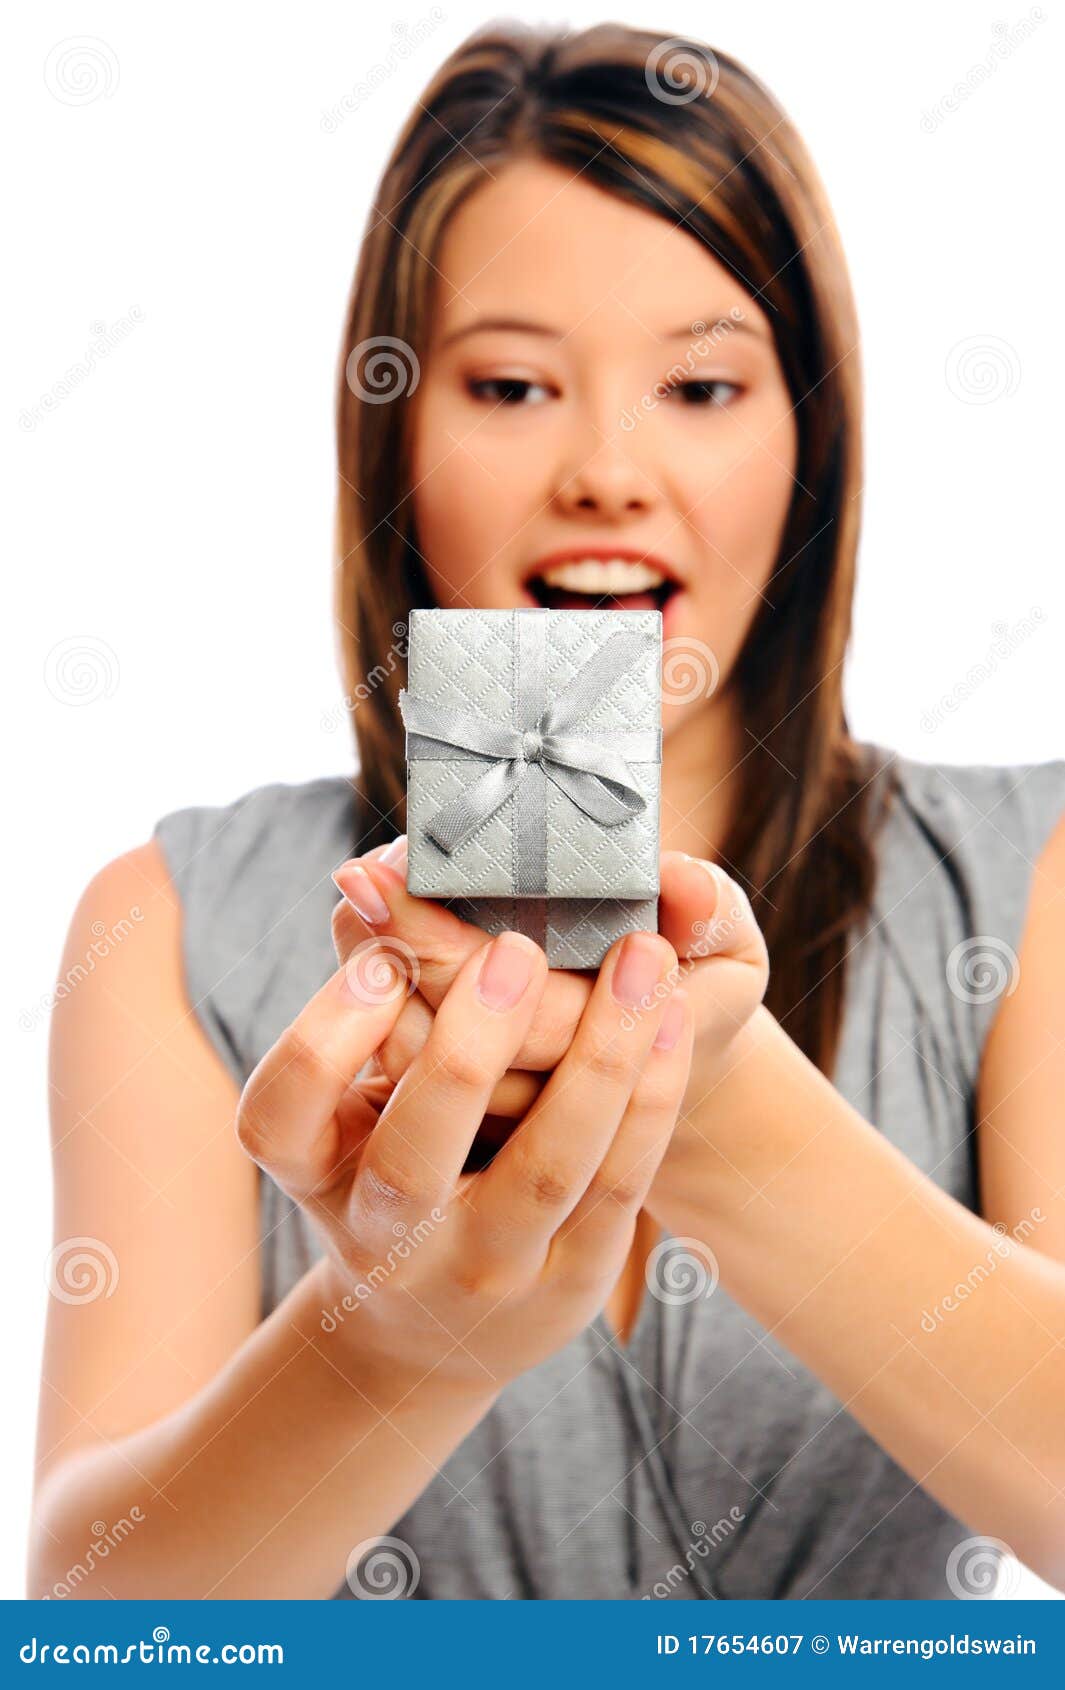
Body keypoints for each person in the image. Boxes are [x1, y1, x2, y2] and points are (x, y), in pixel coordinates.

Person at [30, 22, 1065, 1602]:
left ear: (811, 438)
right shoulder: (169, 925)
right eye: (510, 384)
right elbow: (103, 1622)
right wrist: (381, 1348)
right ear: (394, 429)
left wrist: (725, 1127)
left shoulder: (1028, 887)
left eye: (702, 384)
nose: (604, 469)